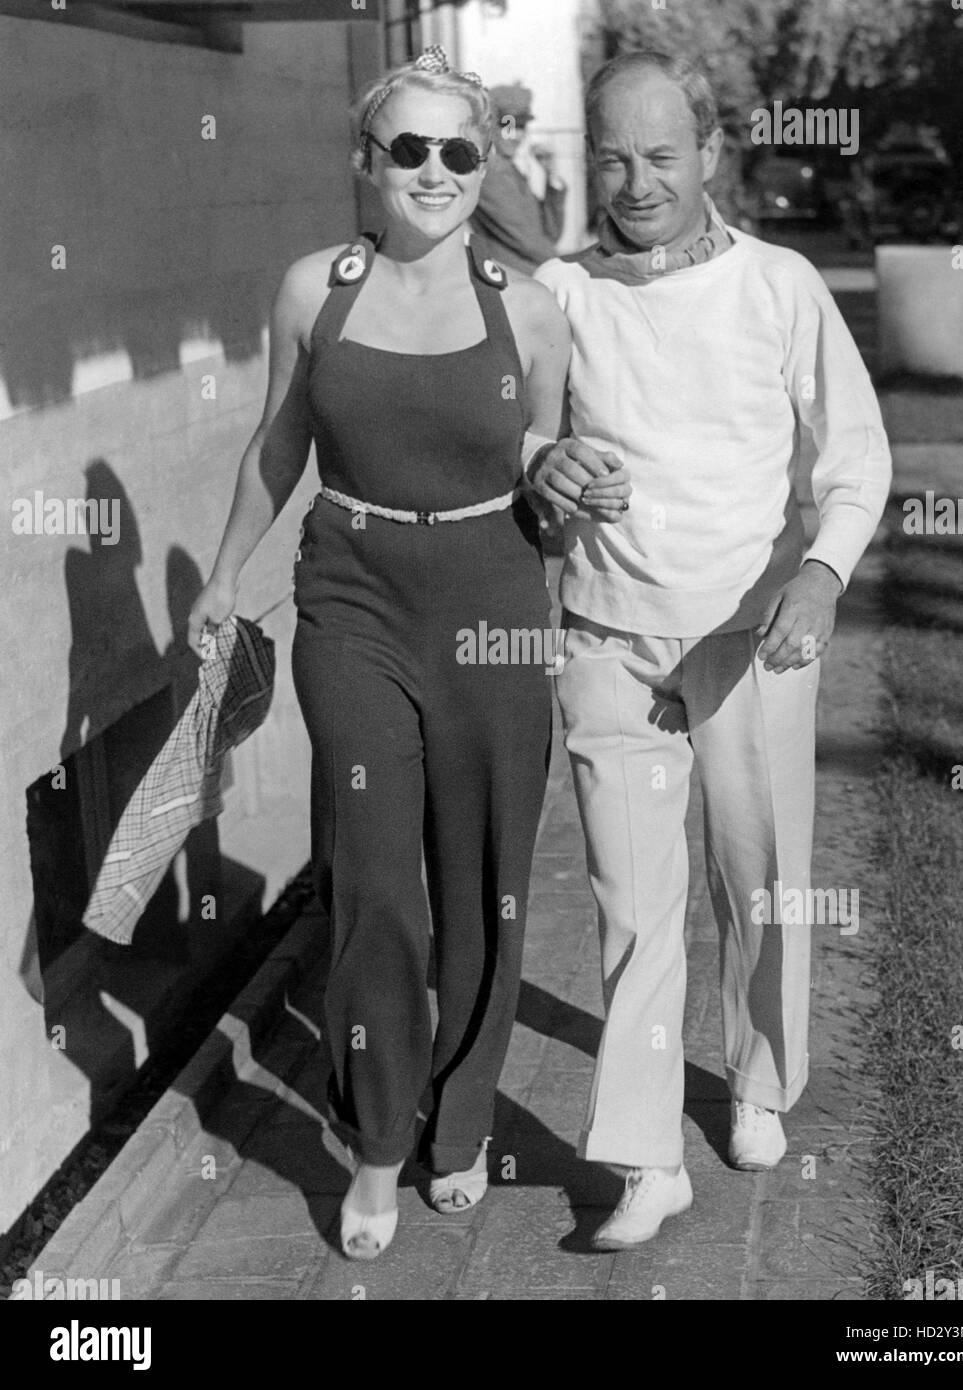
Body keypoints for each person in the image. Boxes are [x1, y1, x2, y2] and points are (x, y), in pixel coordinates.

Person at [187, 45, 626, 1261]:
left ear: (483, 166)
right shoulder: (311, 291)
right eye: (410, 150)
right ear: (367, 163)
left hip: (490, 594)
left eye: (458, 152)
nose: (434, 172)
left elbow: (542, 462)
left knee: (483, 876)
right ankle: (379, 1142)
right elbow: (277, 447)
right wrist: (225, 575)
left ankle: (460, 1122)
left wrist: (572, 484)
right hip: (353, 595)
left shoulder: (523, 306)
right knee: (377, 881)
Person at [528, 51, 892, 1250]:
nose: (635, 182)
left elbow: (855, 456)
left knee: (759, 878)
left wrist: (823, 574)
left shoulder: (779, 285)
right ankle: (641, 1160)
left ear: (710, 155)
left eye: (660, 156)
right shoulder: (560, 293)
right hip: (609, 636)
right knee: (634, 905)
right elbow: (520, 450)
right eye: (614, 159)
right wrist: (543, 468)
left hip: (749, 638)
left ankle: (758, 1083)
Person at [470, 82, 568, 272]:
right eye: (506, 125)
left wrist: (551, 174)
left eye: (520, 126)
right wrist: (568, 268)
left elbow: (551, 233)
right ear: (489, 127)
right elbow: (526, 240)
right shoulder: (489, 173)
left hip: (533, 276)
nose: (514, 135)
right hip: (511, 283)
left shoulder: (511, 170)